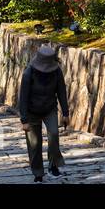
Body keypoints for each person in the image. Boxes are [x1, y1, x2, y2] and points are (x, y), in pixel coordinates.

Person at [18, 43, 70, 182]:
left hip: (50, 109)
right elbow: (23, 97)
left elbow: (61, 92)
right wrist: (24, 120)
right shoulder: (28, 73)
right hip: (31, 112)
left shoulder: (56, 72)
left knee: (53, 134)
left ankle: (53, 167)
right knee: (34, 144)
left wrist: (65, 113)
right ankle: (38, 173)